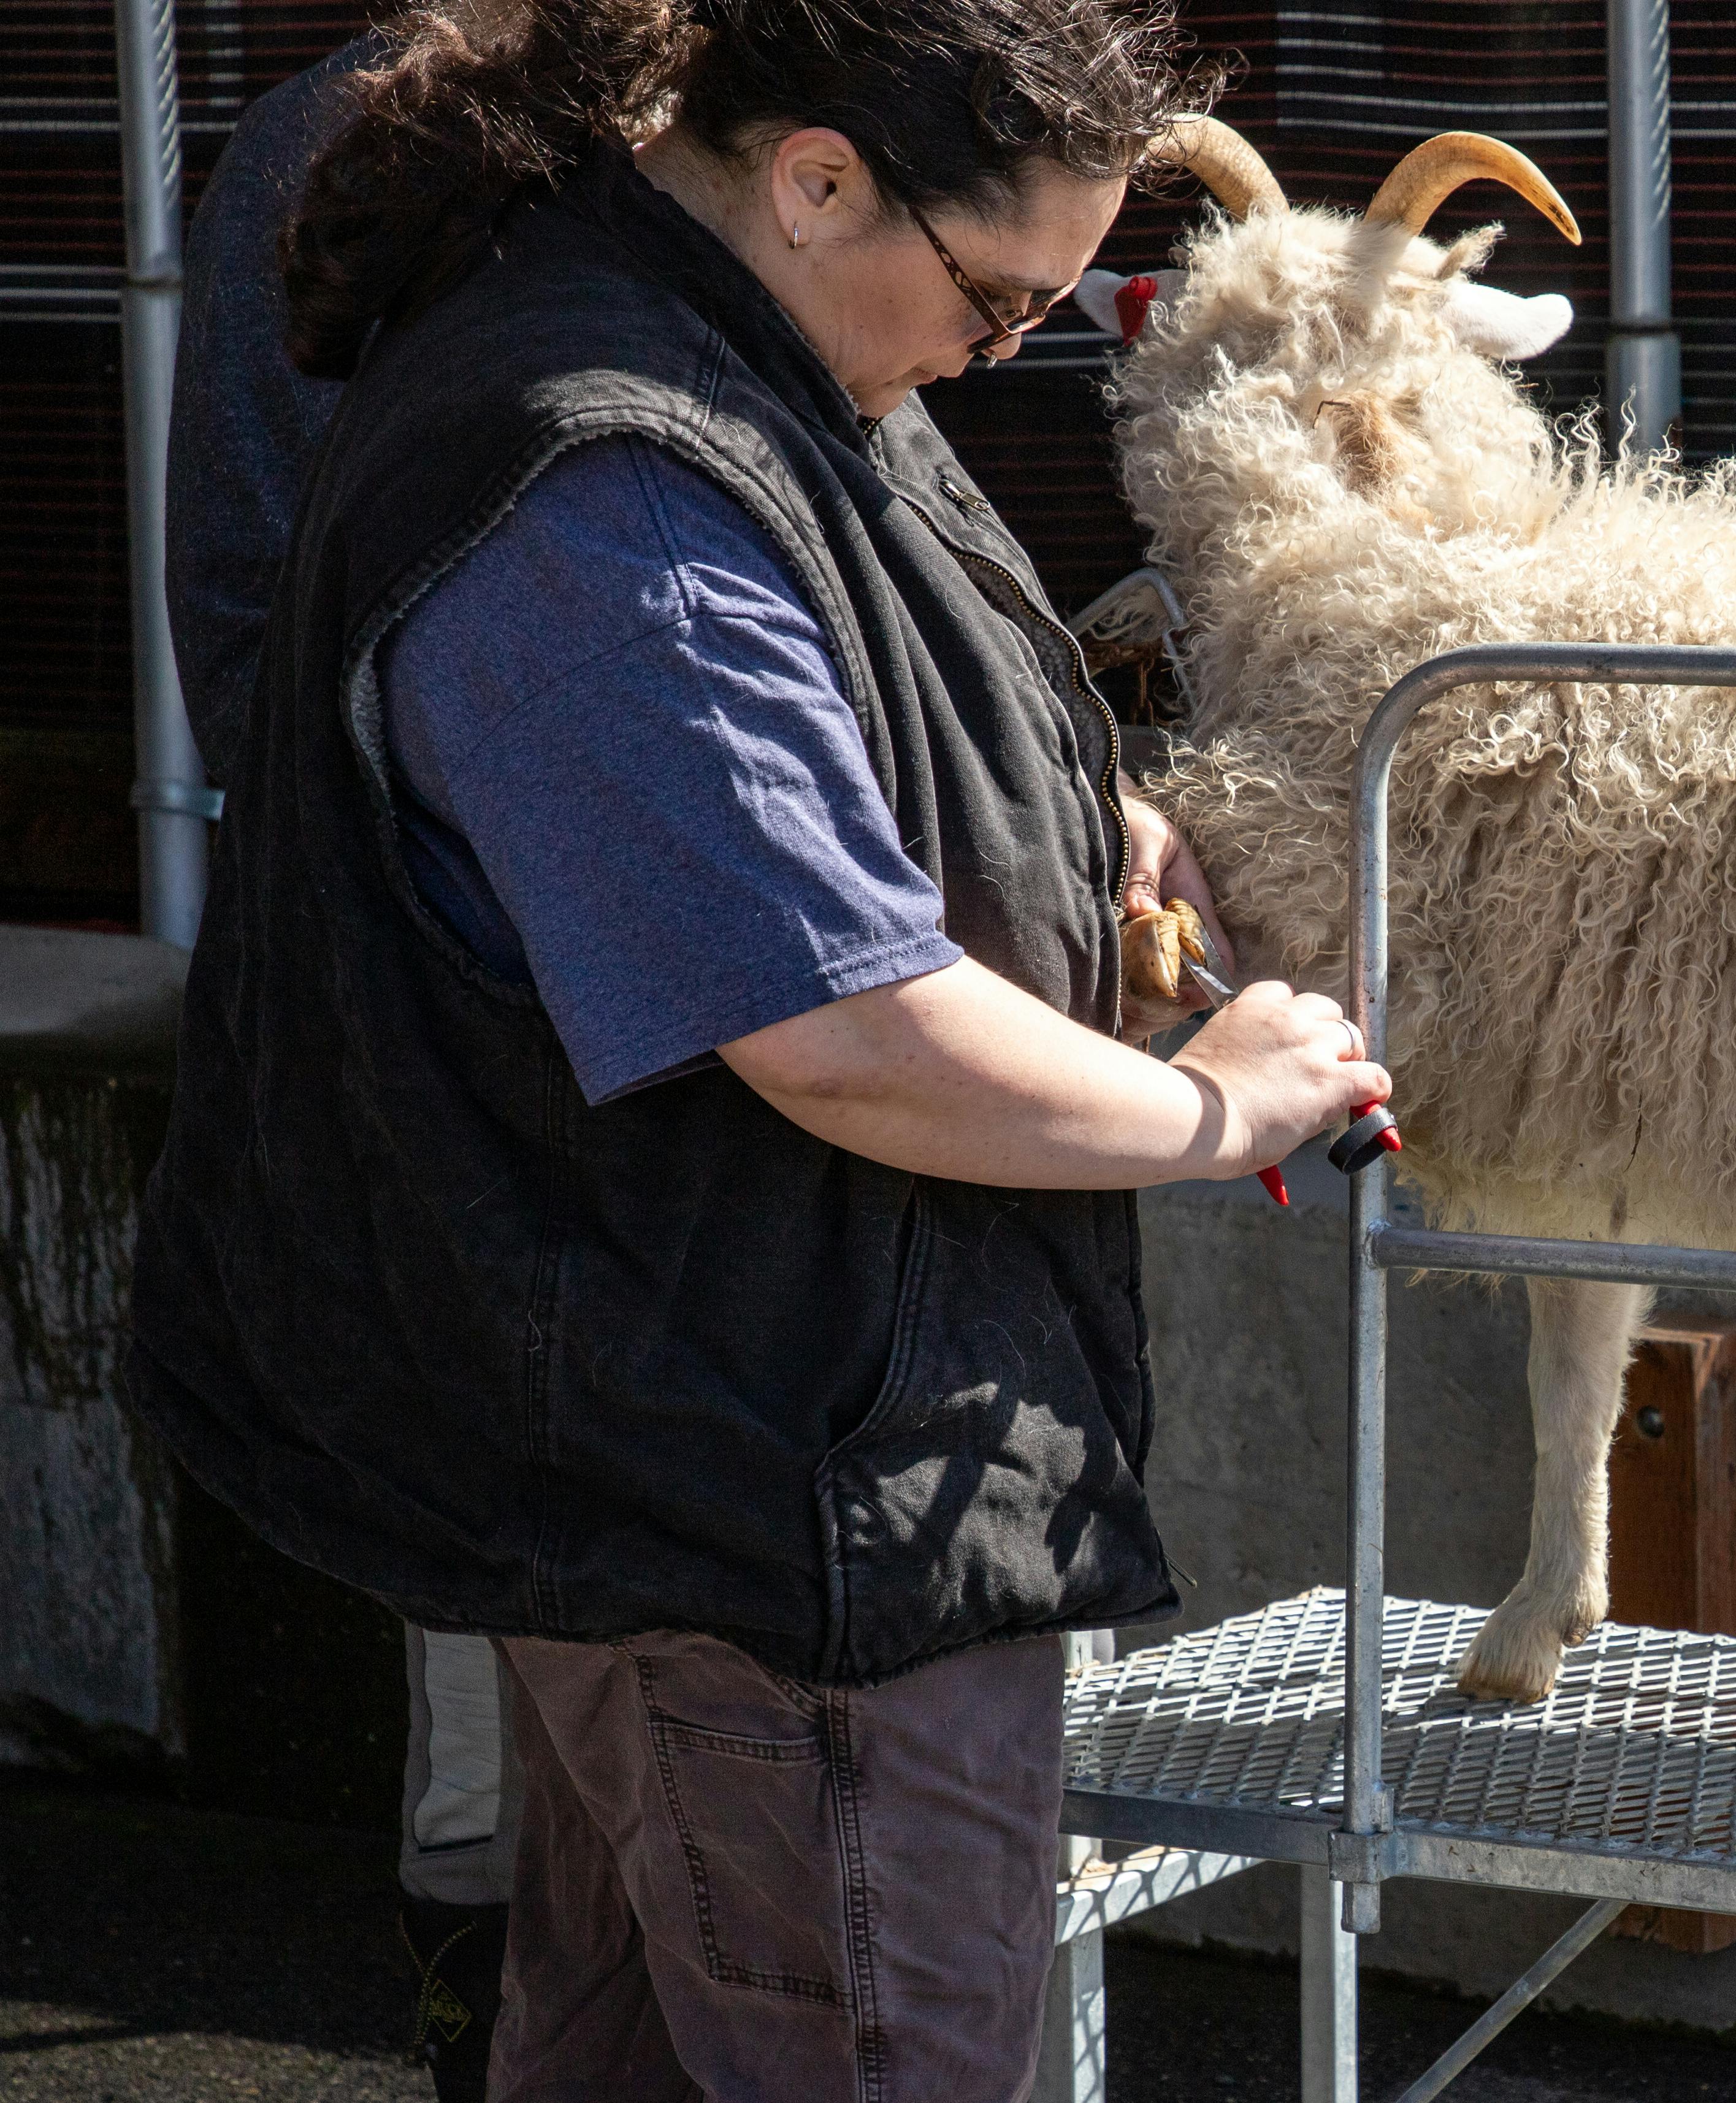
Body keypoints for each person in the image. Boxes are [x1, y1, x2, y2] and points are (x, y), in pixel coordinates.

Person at [129, 0, 1385, 2090]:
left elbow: (879, 694)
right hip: (764, 1494)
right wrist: (1210, 1101)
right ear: (815, 175)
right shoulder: (603, 475)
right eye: (997, 304)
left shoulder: (745, 321)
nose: (995, 360)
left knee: (621, 2045)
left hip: (714, 1452)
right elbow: (840, 1027)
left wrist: (1093, 832)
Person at [168, 36, 520, 2099]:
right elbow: (262, 593)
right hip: (440, 959)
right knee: (500, 1600)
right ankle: (487, 1993)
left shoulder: (686, 121)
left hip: (471, 940)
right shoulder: (369, 135)